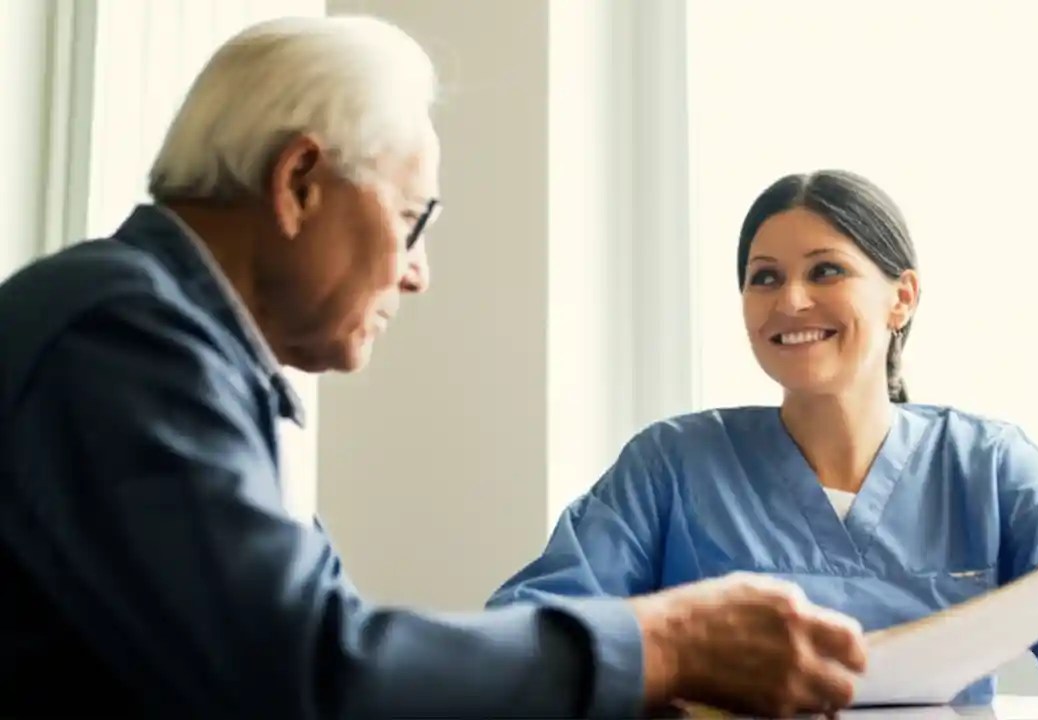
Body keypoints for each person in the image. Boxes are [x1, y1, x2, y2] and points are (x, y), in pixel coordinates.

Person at [0, 17, 869, 718]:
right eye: (412, 220)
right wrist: (665, 646)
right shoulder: (119, 332)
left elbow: (341, 658)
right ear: (300, 181)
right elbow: (306, 674)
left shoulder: (184, 353)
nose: (417, 272)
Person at [489, 169, 1038, 708]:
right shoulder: (672, 464)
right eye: (763, 277)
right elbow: (541, 628)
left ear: (902, 297)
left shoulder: (987, 463)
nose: (789, 299)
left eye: (825, 270)